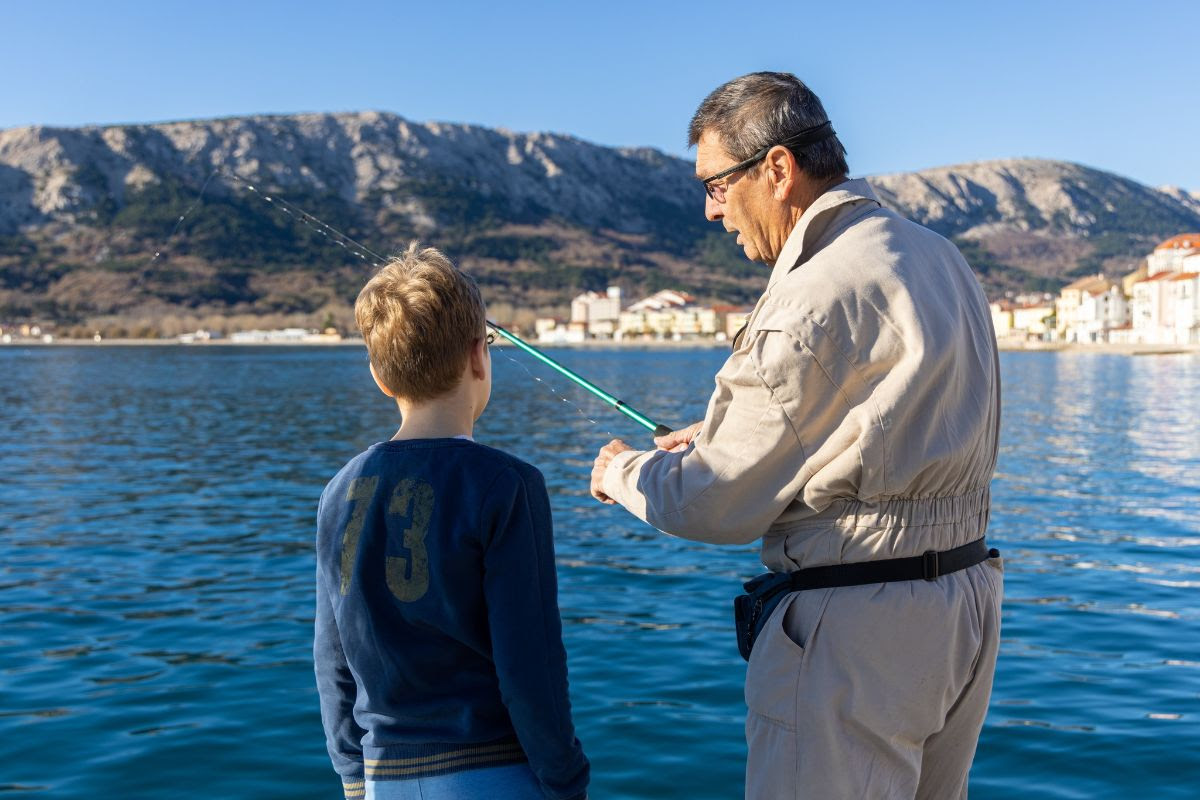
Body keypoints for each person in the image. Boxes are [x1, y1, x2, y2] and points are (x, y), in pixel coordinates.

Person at [590, 72, 1003, 800]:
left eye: (716, 186)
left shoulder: (810, 294)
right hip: (964, 610)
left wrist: (625, 474)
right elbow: (883, 426)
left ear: (777, 169)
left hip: (858, 633)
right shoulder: (938, 257)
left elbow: (713, 501)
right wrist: (717, 435)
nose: (711, 212)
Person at [315, 242, 589, 800]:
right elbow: (530, 664)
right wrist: (565, 782)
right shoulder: (509, 485)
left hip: (382, 777)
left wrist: (351, 775)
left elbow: (333, 656)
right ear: (477, 357)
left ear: (379, 376)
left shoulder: (338, 491)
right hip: (493, 774)